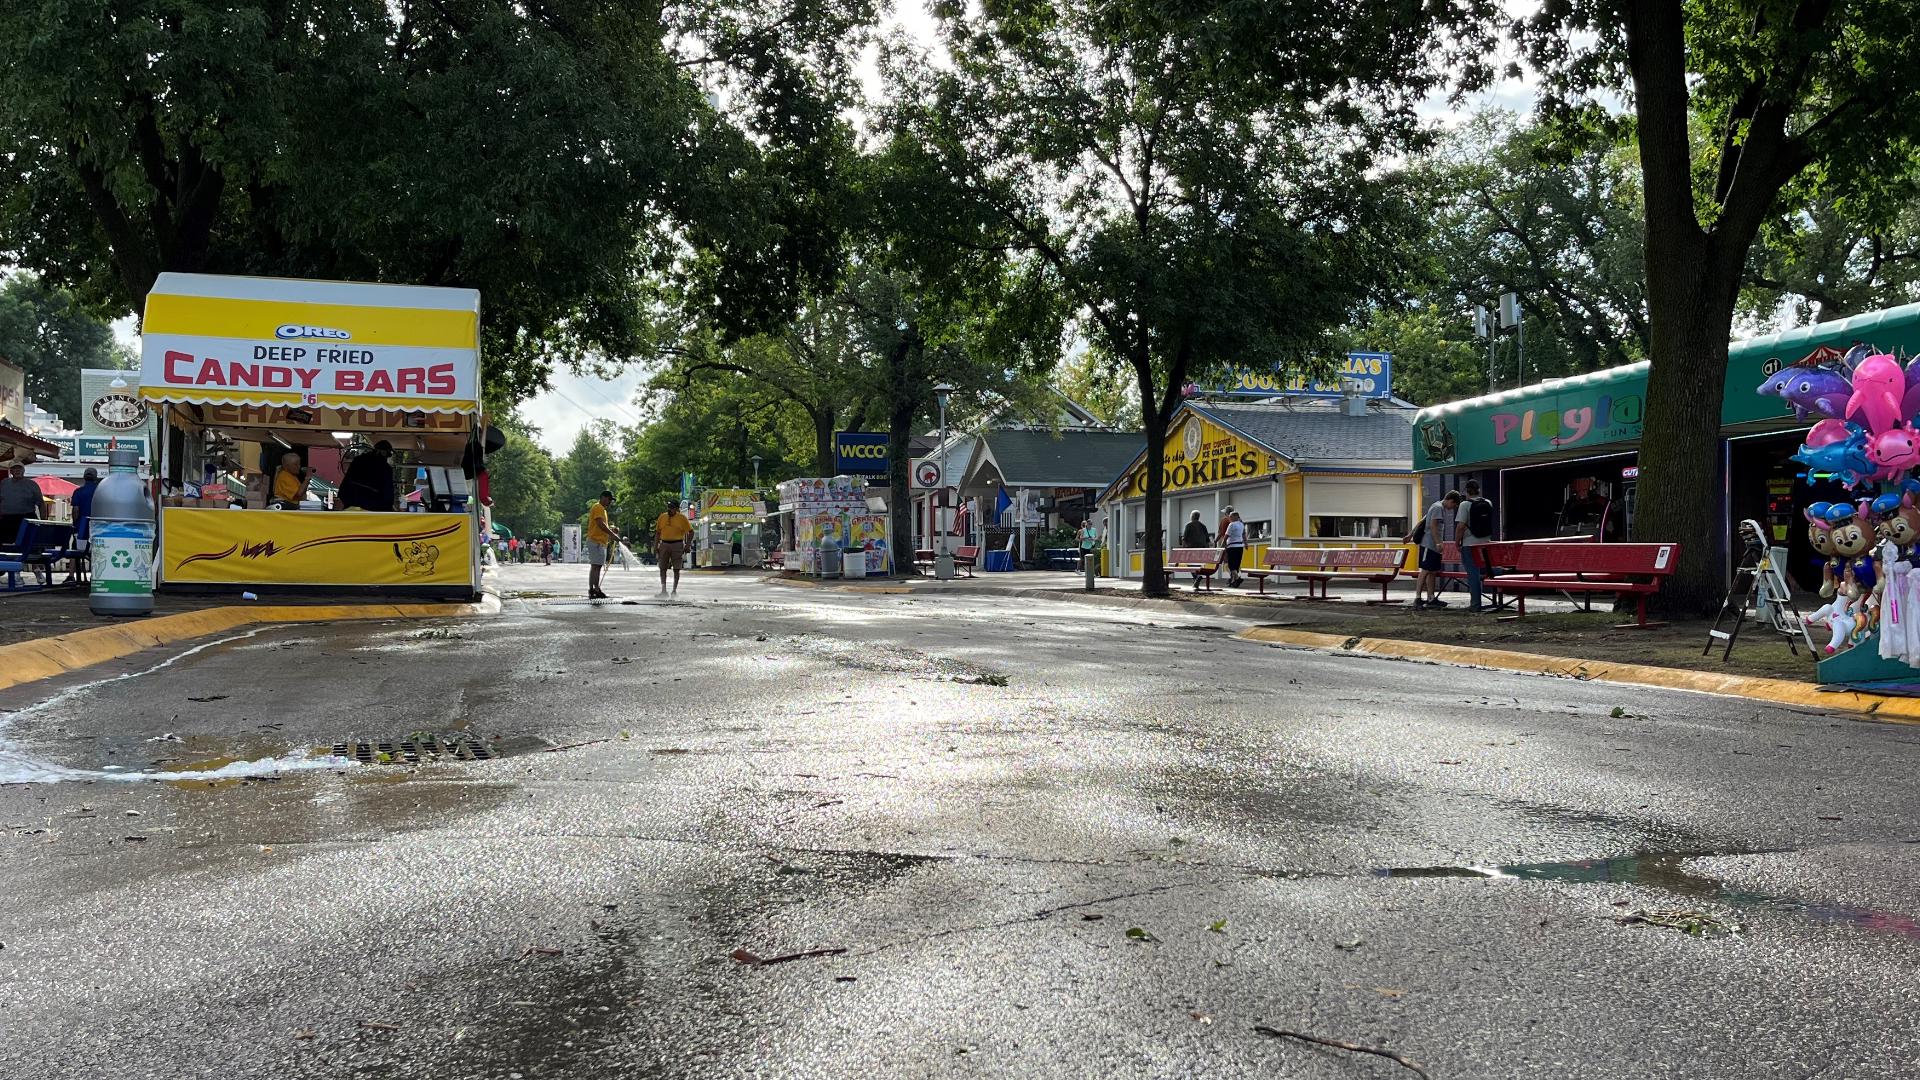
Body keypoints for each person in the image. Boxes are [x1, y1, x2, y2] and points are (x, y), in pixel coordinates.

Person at [1404, 489, 1461, 608]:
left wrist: (1410, 534)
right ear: (1450, 500)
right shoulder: (1437, 508)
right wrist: (1438, 543)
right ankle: (1418, 597)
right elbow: (1433, 526)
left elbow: (1422, 521)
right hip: (1429, 544)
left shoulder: (1438, 507)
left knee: (1433, 571)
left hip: (1434, 546)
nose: (1453, 508)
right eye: (1454, 505)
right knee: (1425, 570)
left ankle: (1431, 597)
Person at [1460, 479, 1495, 612]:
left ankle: (1475, 604)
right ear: (1479, 490)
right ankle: (1502, 571)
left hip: (1470, 544)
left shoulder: (1465, 505)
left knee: (1473, 574)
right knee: (1486, 567)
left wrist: (1458, 541)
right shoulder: (1488, 503)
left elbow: (1461, 526)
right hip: (1485, 543)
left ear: (1466, 491)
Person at [339, 441, 397, 511]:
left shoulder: (357, 461)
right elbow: (388, 492)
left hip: (351, 503)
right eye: (388, 455)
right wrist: (389, 508)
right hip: (372, 508)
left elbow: (345, 484)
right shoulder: (385, 468)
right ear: (384, 453)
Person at [586, 490, 622, 600]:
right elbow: (600, 524)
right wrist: (612, 534)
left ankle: (593, 589)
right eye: (609, 499)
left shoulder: (603, 510)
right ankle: (595, 589)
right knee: (596, 566)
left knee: (596, 566)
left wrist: (611, 529)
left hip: (599, 541)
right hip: (596, 541)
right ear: (603, 497)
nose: (610, 502)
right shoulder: (598, 507)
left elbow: (601, 526)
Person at [0, 463, 46, 547]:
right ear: (11, 471)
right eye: (14, 468)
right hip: (7, 519)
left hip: (26, 519)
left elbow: (41, 503)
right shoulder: (4, 483)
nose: (17, 470)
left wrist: (43, 521)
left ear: (23, 470)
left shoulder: (32, 484)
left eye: (19, 468)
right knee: (5, 545)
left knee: (27, 544)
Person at [655, 497, 693, 596]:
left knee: (676, 568)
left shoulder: (682, 518)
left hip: (677, 544)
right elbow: (658, 533)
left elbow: (691, 532)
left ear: (676, 509)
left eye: (671, 507)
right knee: (662, 567)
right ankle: (663, 590)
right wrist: (656, 546)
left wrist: (688, 545)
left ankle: (674, 590)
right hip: (664, 544)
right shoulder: (662, 517)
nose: (669, 509)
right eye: (668, 507)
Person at [1222, 510, 1248, 588]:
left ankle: (1237, 578)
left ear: (1235, 516)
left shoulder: (1231, 525)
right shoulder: (1241, 524)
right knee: (1237, 563)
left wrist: (1223, 544)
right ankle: (1234, 581)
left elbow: (1226, 535)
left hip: (1232, 546)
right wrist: (1246, 543)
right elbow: (1243, 534)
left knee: (1231, 564)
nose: (1229, 518)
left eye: (1231, 516)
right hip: (1240, 546)